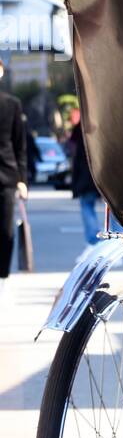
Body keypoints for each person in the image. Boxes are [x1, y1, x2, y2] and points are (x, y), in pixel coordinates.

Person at [0, 57, 29, 282]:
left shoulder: (12, 104)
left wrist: (22, 179)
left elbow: (20, 145)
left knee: (6, 229)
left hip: (6, 176)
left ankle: (3, 270)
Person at [66, 109, 100, 246]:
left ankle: (94, 239)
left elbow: (74, 152)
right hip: (107, 173)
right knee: (115, 208)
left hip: (86, 175)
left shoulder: (81, 128)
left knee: (87, 205)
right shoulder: (107, 123)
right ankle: (117, 240)